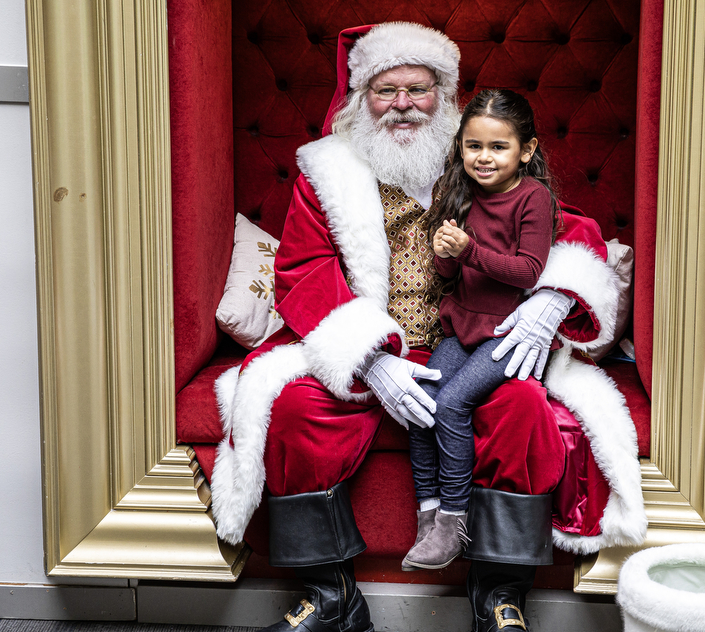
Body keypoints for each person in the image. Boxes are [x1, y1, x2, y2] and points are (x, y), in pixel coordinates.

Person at [211, 21, 647, 632]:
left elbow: (566, 226)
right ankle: (331, 597)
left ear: (444, 92)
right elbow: (304, 268)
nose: (403, 105)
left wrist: (554, 296)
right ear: (361, 98)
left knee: (521, 404)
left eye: (418, 88)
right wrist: (369, 358)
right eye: (385, 91)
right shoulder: (327, 171)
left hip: (469, 337)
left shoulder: (477, 153)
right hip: (372, 335)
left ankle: (499, 595)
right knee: (296, 408)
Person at [402, 89, 561, 572]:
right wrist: (446, 256)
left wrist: (467, 249)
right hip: (461, 327)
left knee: (452, 404)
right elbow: (449, 278)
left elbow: (528, 272)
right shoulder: (458, 191)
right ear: (461, 147)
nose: (484, 158)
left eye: (498, 147)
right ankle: (428, 511)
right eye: (474, 146)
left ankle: (455, 517)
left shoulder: (533, 198)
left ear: (526, 151)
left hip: (506, 333)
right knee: (421, 399)